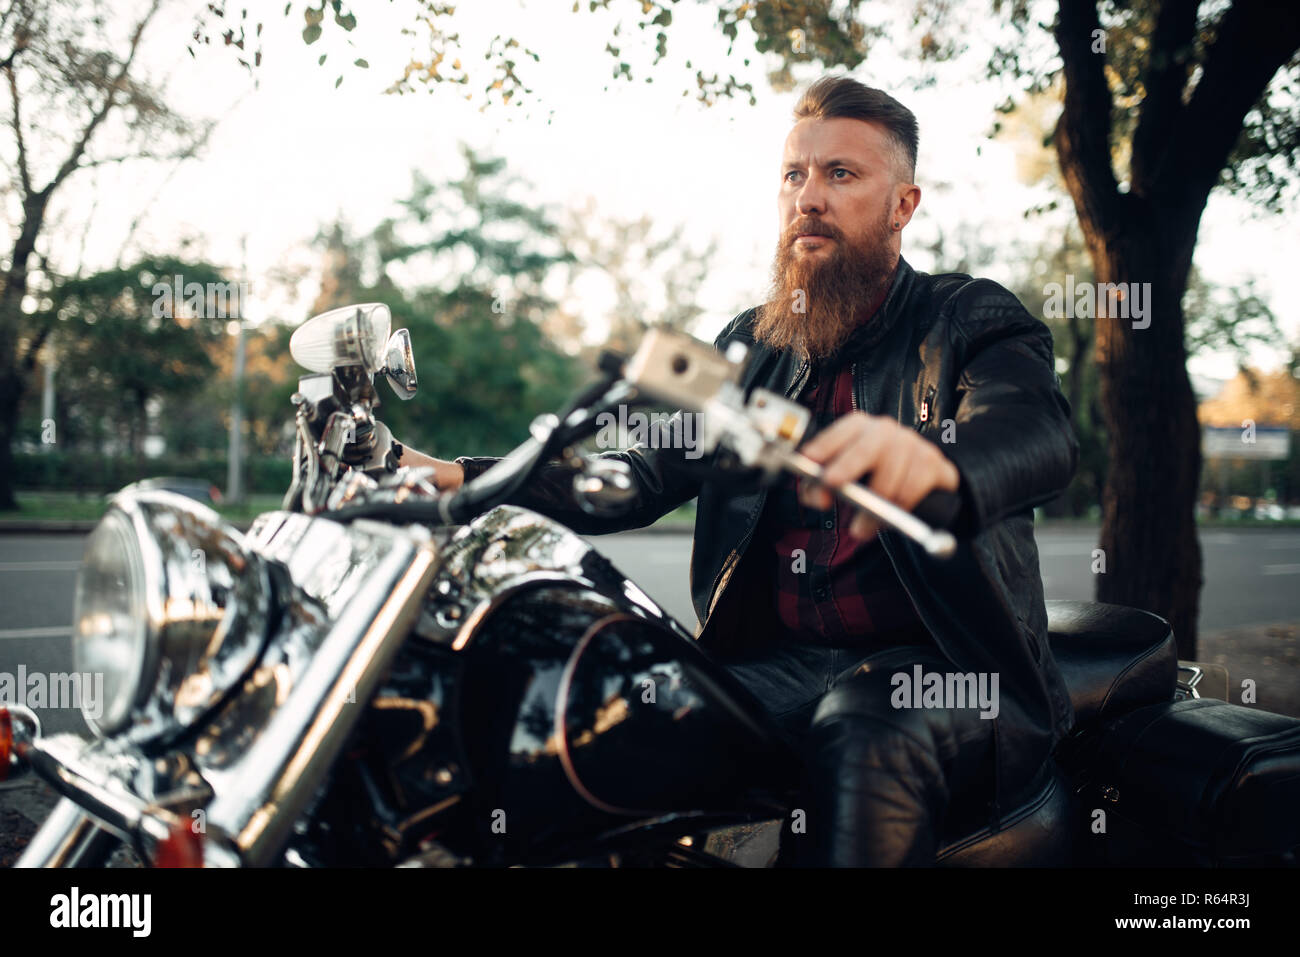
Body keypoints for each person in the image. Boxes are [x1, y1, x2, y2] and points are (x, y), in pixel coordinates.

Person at [396, 75, 1079, 866]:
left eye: (841, 175)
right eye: (795, 175)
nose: (809, 198)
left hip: (950, 667)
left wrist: (938, 466)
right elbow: (642, 467)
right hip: (785, 661)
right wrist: (461, 477)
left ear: (903, 206)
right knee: (604, 717)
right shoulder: (753, 347)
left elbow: (1036, 432)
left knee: (865, 730)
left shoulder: (969, 318)